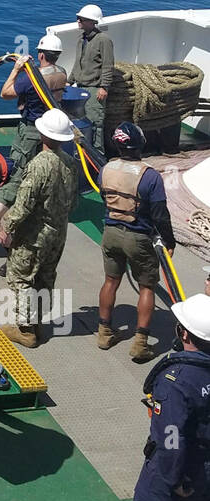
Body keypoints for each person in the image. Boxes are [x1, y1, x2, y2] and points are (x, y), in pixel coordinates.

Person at [103, 294, 210, 501]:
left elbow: (171, 439)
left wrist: (172, 480)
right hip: (205, 471)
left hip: (176, 473)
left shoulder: (176, 381)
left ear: (184, 334)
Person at [0, 108, 79, 348]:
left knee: (22, 278)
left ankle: (25, 329)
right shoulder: (70, 163)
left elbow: (23, 204)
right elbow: (73, 202)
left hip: (34, 234)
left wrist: (7, 227)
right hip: (58, 232)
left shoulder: (39, 164)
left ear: (43, 135)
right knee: (45, 276)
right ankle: (38, 322)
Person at [97, 121, 175, 363]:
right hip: (139, 237)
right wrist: (169, 241)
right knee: (147, 286)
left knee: (111, 281)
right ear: (141, 143)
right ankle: (140, 342)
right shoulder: (149, 176)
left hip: (110, 232)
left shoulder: (106, 169)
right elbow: (160, 213)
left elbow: (104, 196)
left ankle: (104, 332)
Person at [0, 32, 69, 231]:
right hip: (51, 129)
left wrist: (16, 70)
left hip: (31, 130)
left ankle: (10, 208)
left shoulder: (32, 78)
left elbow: (5, 93)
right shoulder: (62, 73)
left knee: (19, 170)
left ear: (41, 55)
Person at [69, 3, 114, 159]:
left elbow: (108, 65)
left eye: (81, 18)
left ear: (91, 21)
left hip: (95, 89)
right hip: (80, 88)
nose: (78, 21)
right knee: (81, 123)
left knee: (96, 125)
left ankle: (99, 157)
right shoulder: (81, 40)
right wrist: (69, 81)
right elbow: (77, 63)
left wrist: (104, 87)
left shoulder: (103, 40)